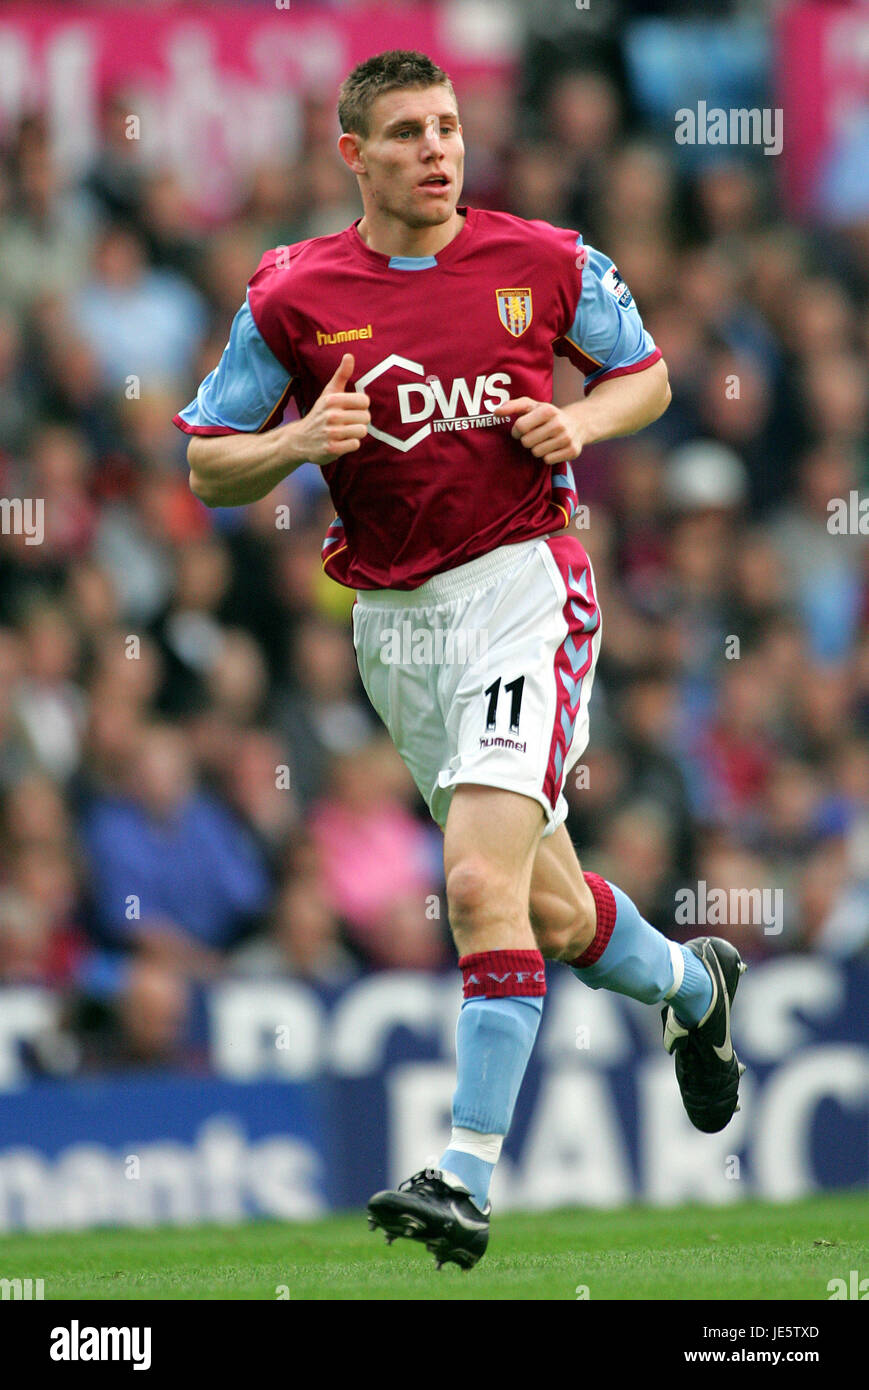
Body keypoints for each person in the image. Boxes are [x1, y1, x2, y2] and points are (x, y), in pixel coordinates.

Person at [174, 50, 746, 1271]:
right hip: (393, 629)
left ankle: (465, 1176)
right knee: (543, 904)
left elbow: (642, 373)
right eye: (406, 134)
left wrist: (577, 418)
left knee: (477, 890)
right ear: (353, 156)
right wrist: (293, 443)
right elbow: (206, 463)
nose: (437, 150)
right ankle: (695, 991)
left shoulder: (538, 260)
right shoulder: (290, 294)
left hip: (522, 588)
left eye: (447, 128)